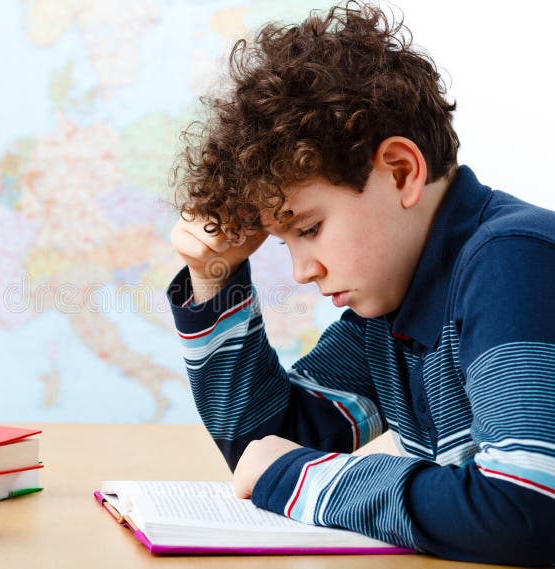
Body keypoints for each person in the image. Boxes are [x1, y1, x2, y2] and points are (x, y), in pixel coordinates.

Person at [166, 1, 555, 565]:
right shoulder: (391, 313)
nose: (302, 271)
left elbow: (528, 509)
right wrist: (213, 275)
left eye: (311, 228)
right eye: (286, 242)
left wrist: (305, 479)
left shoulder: (512, 262)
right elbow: (268, 447)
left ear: (401, 170)